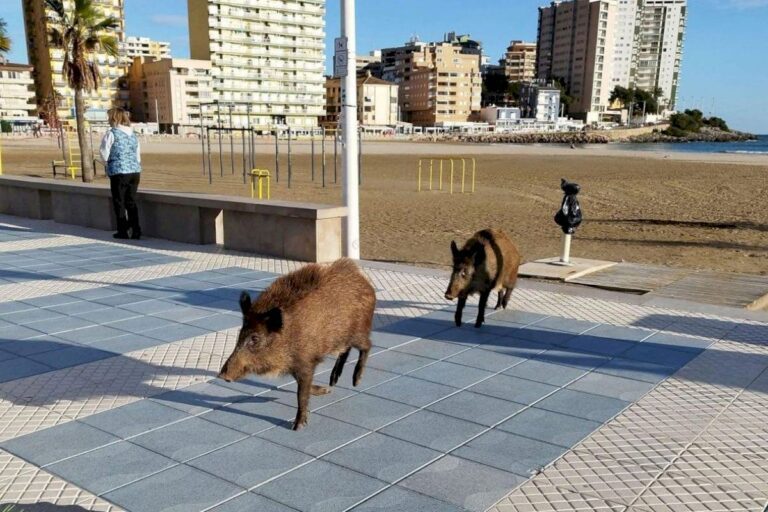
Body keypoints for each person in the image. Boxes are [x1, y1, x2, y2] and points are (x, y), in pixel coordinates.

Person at [100, 107, 142, 240]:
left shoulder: (112, 133)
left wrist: (107, 164)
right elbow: (137, 155)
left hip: (119, 171)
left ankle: (122, 230)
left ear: (113, 118)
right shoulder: (133, 134)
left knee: (119, 202)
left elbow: (104, 152)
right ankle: (136, 230)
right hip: (135, 171)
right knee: (131, 201)